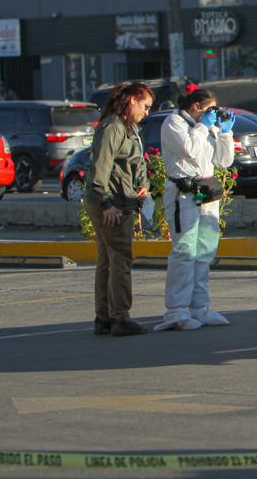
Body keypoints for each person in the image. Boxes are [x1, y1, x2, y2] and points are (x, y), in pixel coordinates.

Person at [155, 89, 235, 331]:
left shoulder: (207, 127)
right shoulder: (174, 123)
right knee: (184, 250)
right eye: (210, 109)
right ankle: (176, 311)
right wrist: (203, 127)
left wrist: (226, 133)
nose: (214, 114)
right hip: (183, 192)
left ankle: (201, 307)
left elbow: (223, 161)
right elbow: (189, 149)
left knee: (205, 250)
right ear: (196, 107)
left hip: (206, 190)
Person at [85, 82, 154, 337]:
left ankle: (104, 318)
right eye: (145, 106)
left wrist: (143, 185)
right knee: (121, 259)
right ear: (132, 101)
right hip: (111, 202)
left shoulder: (128, 128)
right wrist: (107, 204)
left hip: (120, 198)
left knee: (108, 259)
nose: (146, 112)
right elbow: (100, 167)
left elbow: (134, 164)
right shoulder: (113, 127)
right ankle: (120, 318)